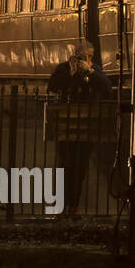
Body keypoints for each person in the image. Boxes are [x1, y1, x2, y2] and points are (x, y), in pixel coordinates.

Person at [46, 41, 113, 214]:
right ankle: (61, 202)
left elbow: (107, 87)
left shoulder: (95, 71)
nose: (87, 60)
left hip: (86, 125)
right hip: (66, 124)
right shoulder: (63, 69)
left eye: (90, 57)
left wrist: (90, 71)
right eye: (84, 57)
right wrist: (71, 73)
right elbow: (52, 86)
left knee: (80, 166)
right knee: (65, 164)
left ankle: (73, 204)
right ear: (76, 55)